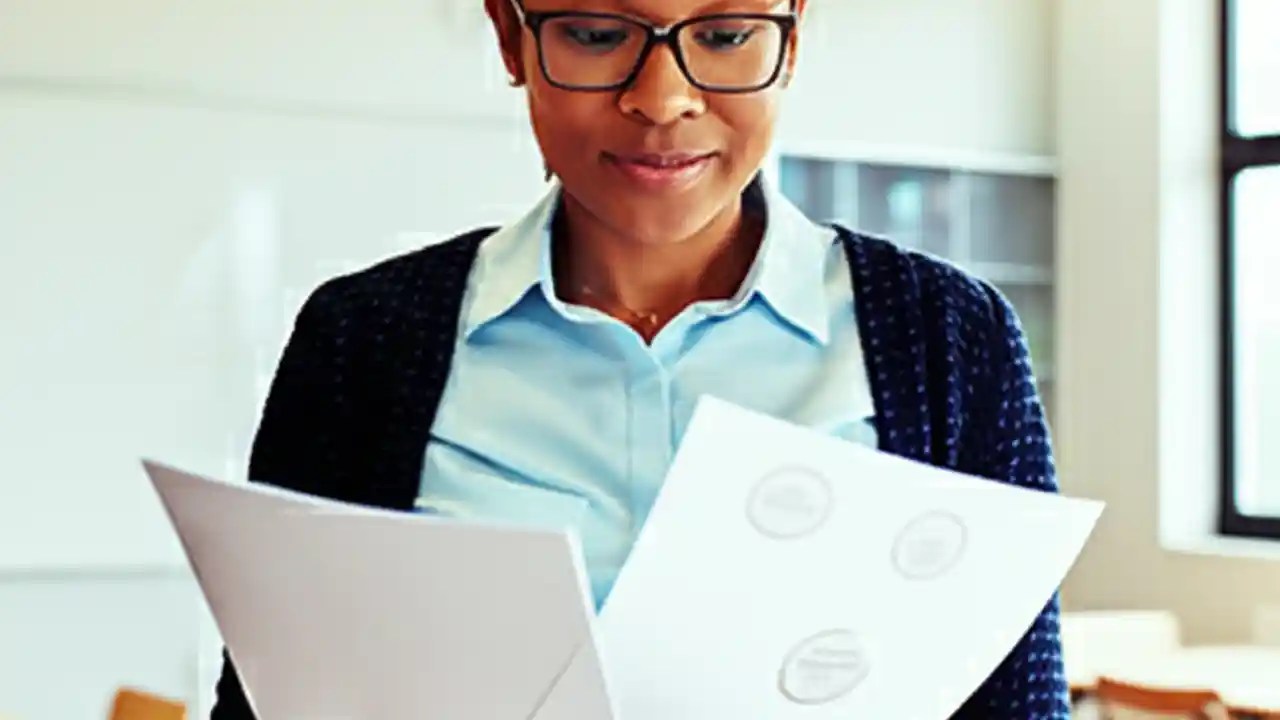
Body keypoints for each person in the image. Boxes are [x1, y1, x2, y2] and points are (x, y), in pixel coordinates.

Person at [210, 0, 1070, 717]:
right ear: (511, 36)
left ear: (791, 37)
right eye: (596, 35)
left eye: (725, 36)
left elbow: (1020, 707)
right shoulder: (364, 341)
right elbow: (266, 699)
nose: (662, 99)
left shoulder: (948, 338)